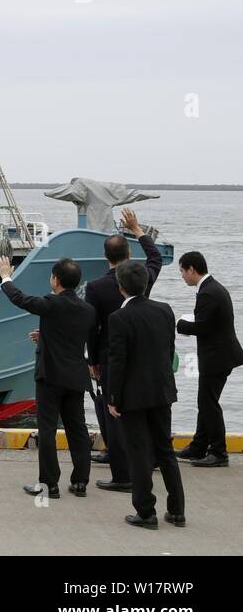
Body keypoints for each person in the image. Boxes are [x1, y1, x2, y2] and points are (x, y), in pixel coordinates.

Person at [0, 255, 95, 499]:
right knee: (78, 429)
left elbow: (20, 299)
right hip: (75, 376)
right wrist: (45, 336)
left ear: (56, 280)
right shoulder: (88, 310)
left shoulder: (51, 303)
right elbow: (72, 336)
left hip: (50, 376)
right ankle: (81, 481)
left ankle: (49, 484)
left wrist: (5, 276)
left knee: (48, 429)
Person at [85, 208, 162, 492]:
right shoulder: (143, 277)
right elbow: (155, 258)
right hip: (144, 355)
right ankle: (148, 457)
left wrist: (92, 359)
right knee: (141, 409)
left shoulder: (95, 287)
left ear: (106, 257)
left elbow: (92, 328)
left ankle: (121, 472)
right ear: (128, 253)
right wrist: (138, 229)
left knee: (113, 412)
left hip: (108, 356)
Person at [107, 260, 185, 528]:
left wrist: (112, 397)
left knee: (139, 453)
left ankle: (146, 511)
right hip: (162, 390)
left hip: (133, 395)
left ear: (121, 287)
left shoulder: (118, 318)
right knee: (165, 450)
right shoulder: (165, 310)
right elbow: (169, 350)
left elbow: (118, 361)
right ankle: (176, 510)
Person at [175, 251, 243, 467]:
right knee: (205, 402)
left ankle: (219, 452)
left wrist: (179, 324)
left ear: (192, 269)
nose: (182, 276)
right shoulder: (213, 288)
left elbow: (203, 327)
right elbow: (210, 322)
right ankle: (198, 446)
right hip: (220, 355)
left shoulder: (208, 293)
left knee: (208, 404)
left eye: (182, 271)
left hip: (217, 358)